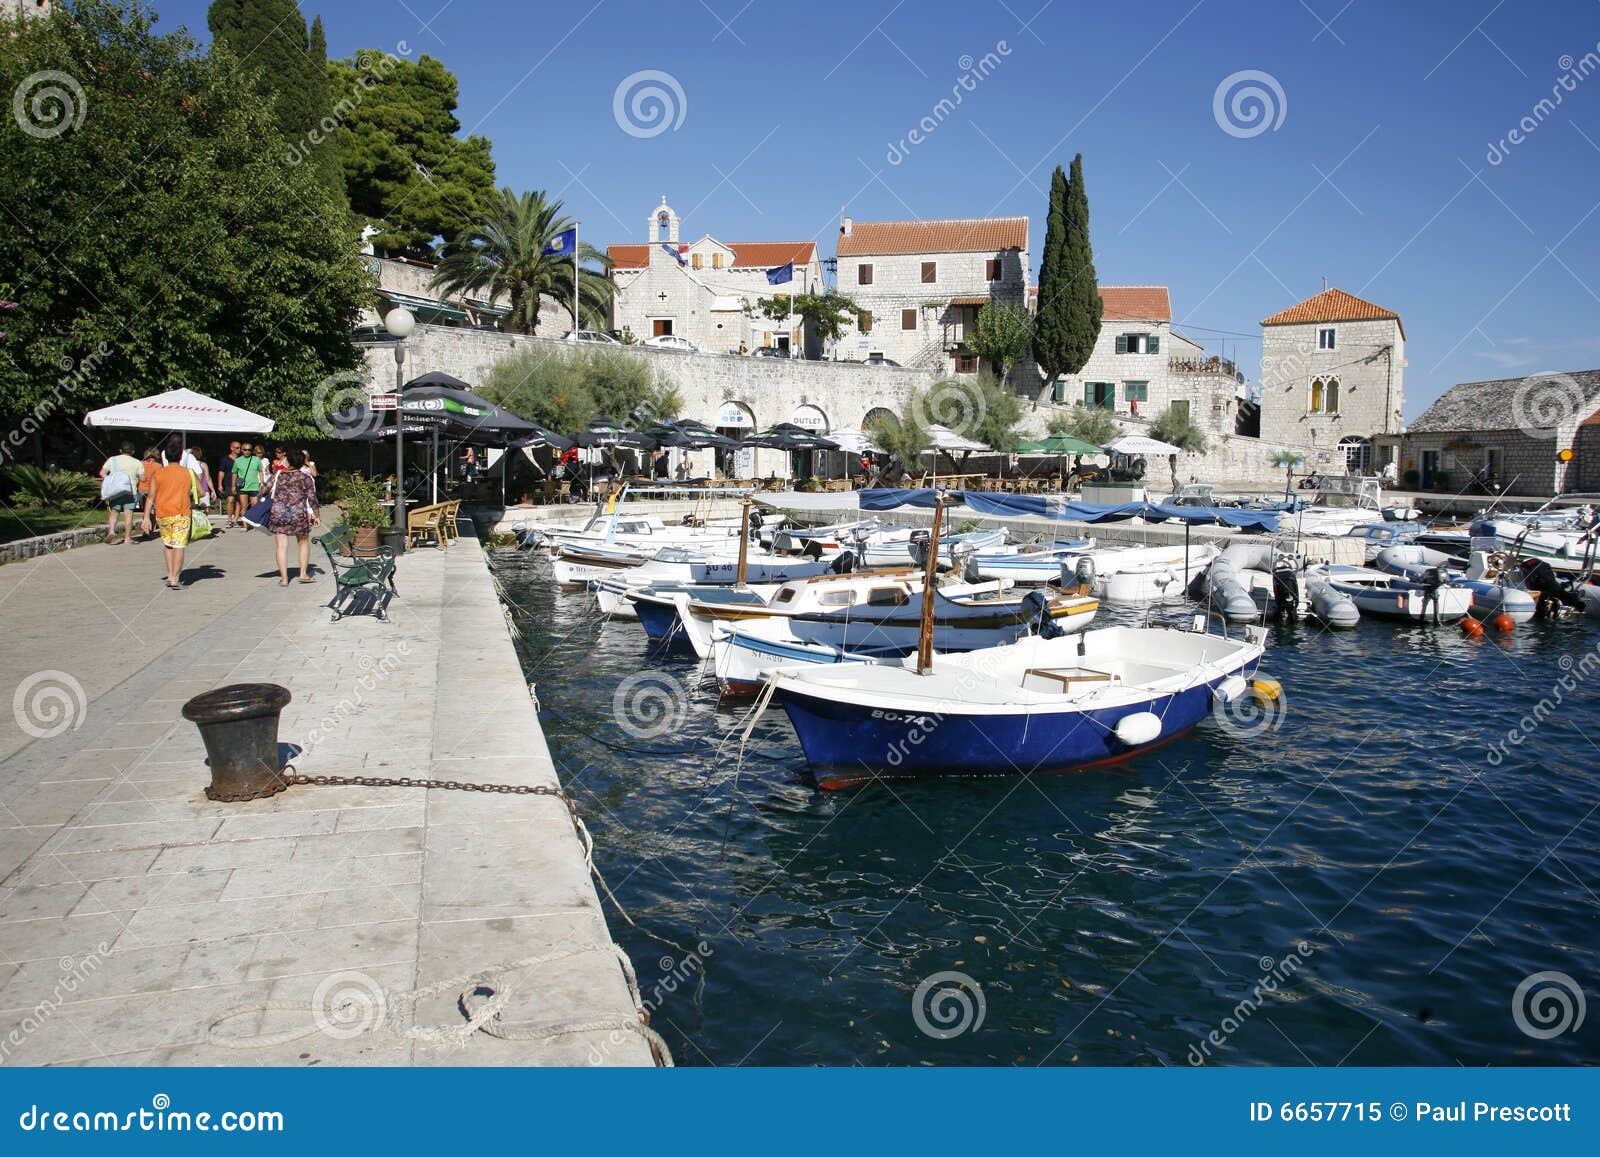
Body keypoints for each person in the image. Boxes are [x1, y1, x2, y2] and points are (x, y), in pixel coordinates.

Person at [140, 436, 194, 590]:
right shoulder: (187, 473)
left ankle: (170, 574)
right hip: (182, 512)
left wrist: (146, 518)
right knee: (179, 546)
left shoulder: (158, 473)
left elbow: (150, 497)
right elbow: (201, 492)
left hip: (162, 513)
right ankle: (176, 579)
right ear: (181, 456)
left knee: (168, 545)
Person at [267, 450, 319, 585]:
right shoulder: (305, 478)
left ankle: (284, 579)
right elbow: (312, 499)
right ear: (302, 463)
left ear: (288, 460)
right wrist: (316, 515)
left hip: (278, 513)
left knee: (281, 546)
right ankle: (303, 574)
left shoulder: (278, 475)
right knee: (303, 542)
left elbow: (263, 490)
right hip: (298, 514)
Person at [98, 441, 144, 545]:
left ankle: (111, 531)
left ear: (120, 450)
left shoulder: (112, 460)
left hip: (115, 491)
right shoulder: (137, 462)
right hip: (130, 491)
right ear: (133, 452)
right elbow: (142, 478)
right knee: (128, 514)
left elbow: (102, 473)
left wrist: (111, 480)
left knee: (114, 513)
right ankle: (127, 538)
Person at [233, 443, 265, 523]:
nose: (247, 451)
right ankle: (245, 525)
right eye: (245, 450)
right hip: (243, 487)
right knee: (244, 506)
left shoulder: (256, 459)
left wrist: (261, 483)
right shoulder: (238, 460)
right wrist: (233, 485)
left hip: (254, 486)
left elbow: (260, 471)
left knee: (255, 506)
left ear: (252, 451)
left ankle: (253, 522)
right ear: (242, 450)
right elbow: (234, 473)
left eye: (249, 450)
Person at [218, 440, 240, 525]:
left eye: (240, 448)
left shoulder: (242, 459)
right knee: (230, 500)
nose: (239, 449)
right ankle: (229, 518)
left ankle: (235, 519)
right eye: (237, 448)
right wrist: (220, 484)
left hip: (240, 482)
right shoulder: (225, 459)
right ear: (232, 448)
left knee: (238, 501)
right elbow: (221, 472)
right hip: (229, 482)